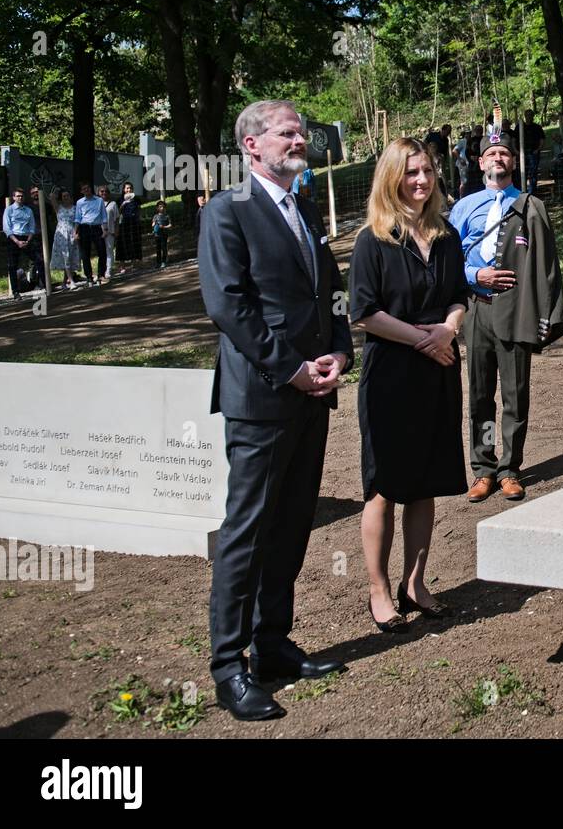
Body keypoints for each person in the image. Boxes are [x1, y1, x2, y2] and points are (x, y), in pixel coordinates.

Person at [198, 99, 352, 721]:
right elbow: (229, 306)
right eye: (287, 132)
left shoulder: (306, 208)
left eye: (302, 132)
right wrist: (289, 368)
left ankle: (272, 645)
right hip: (262, 398)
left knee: (292, 523)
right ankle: (228, 667)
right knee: (248, 532)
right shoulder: (225, 212)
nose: (300, 140)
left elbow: (331, 292)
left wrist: (339, 351)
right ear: (251, 145)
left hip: (315, 392)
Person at [349, 138, 469, 632]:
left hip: (440, 367)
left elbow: (459, 295)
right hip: (392, 376)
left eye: (427, 171)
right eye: (410, 172)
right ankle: (379, 590)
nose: (421, 181)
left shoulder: (446, 235)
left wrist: (449, 329)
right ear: (391, 178)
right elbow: (365, 313)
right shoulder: (372, 240)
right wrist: (424, 339)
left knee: (426, 485)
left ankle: (415, 583)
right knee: (384, 486)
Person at [448, 124, 563, 503]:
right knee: (481, 396)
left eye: (505, 154)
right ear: (480, 161)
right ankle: (483, 469)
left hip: (515, 310)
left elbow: (547, 265)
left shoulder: (531, 206)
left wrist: (546, 313)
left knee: (516, 396)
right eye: (491, 154)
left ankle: (510, 468)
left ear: (513, 162)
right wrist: (473, 274)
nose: (498, 159)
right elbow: (447, 261)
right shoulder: (464, 207)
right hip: (477, 310)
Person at [2, 188, 44, 299]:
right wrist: (17, 241)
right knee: (12, 266)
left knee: (39, 260)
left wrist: (28, 240)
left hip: (27, 238)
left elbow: (32, 227)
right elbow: (6, 228)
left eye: (21, 196)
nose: (20, 198)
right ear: (14, 197)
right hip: (13, 238)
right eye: (18, 196)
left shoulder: (28, 210)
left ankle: (44, 284)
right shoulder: (9, 210)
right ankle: (16, 292)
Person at [73, 183, 108, 284]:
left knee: (102, 251)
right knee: (85, 254)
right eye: (84, 189)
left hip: (97, 228)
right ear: (81, 191)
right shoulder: (79, 202)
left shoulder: (99, 200)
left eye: (87, 188)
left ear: (90, 189)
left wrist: (105, 229)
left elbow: (104, 216)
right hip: (84, 228)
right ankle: (89, 277)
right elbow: (78, 218)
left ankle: (101, 275)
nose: (86, 190)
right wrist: (75, 232)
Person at [48, 189, 79, 290]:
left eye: (67, 195)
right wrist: (57, 190)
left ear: (71, 197)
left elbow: (77, 222)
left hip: (71, 233)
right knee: (65, 256)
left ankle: (64, 282)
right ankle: (71, 280)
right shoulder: (58, 208)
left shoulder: (75, 208)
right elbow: (51, 196)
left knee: (69, 257)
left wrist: (75, 232)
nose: (66, 197)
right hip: (61, 234)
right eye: (64, 196)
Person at [116, 183, 142, 271]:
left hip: (134, 223)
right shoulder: (119, 200)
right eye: (127, 188)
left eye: (130, 188)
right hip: (123, 224)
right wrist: (123, 204)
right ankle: (122, 266)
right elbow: (118, 212)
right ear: (124, 189)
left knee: (134, 242)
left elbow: (139, 210)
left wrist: (138, 219)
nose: (129, 190)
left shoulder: (136, 199)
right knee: (122, 243)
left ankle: (134, 265)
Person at [520, 109, 545, 191]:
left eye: (531, 115)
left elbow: (542, 140)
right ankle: (523, 192)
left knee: (533, 173)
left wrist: (538, 150)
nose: (529, 117)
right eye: (527, 115)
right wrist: (517, 151)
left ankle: (532, 192)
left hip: (533, 153)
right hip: (522, 154)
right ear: (525, 116)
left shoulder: (537, 127)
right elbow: (514, 140)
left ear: (533, 116)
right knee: (523, 173)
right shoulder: (520, 127)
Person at [100, 186, 119, 275]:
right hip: (99, 231)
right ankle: (101, 270)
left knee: (109, 250)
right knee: (101, 251)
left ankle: (109, 270)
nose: (104, 193)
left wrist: (116, 230)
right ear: (98, 193)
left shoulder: (113, 204)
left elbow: (117, 218)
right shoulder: (96, 203)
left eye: (106, 191)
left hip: (110, 231)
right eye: (102, 191)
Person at [151, 200, 172, 267]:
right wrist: (154, 224)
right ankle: (158, 262)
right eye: (160, 207)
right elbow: (153, 224)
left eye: (163, 207)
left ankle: (164, 262)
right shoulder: (155, 216)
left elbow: (170, 225)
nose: (162, 208)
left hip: (164, 234)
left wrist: (164, 227)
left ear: (165, 208)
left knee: (164, 248)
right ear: (157, 208)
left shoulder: (167, 216)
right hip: (157, 235)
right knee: (158, 249)